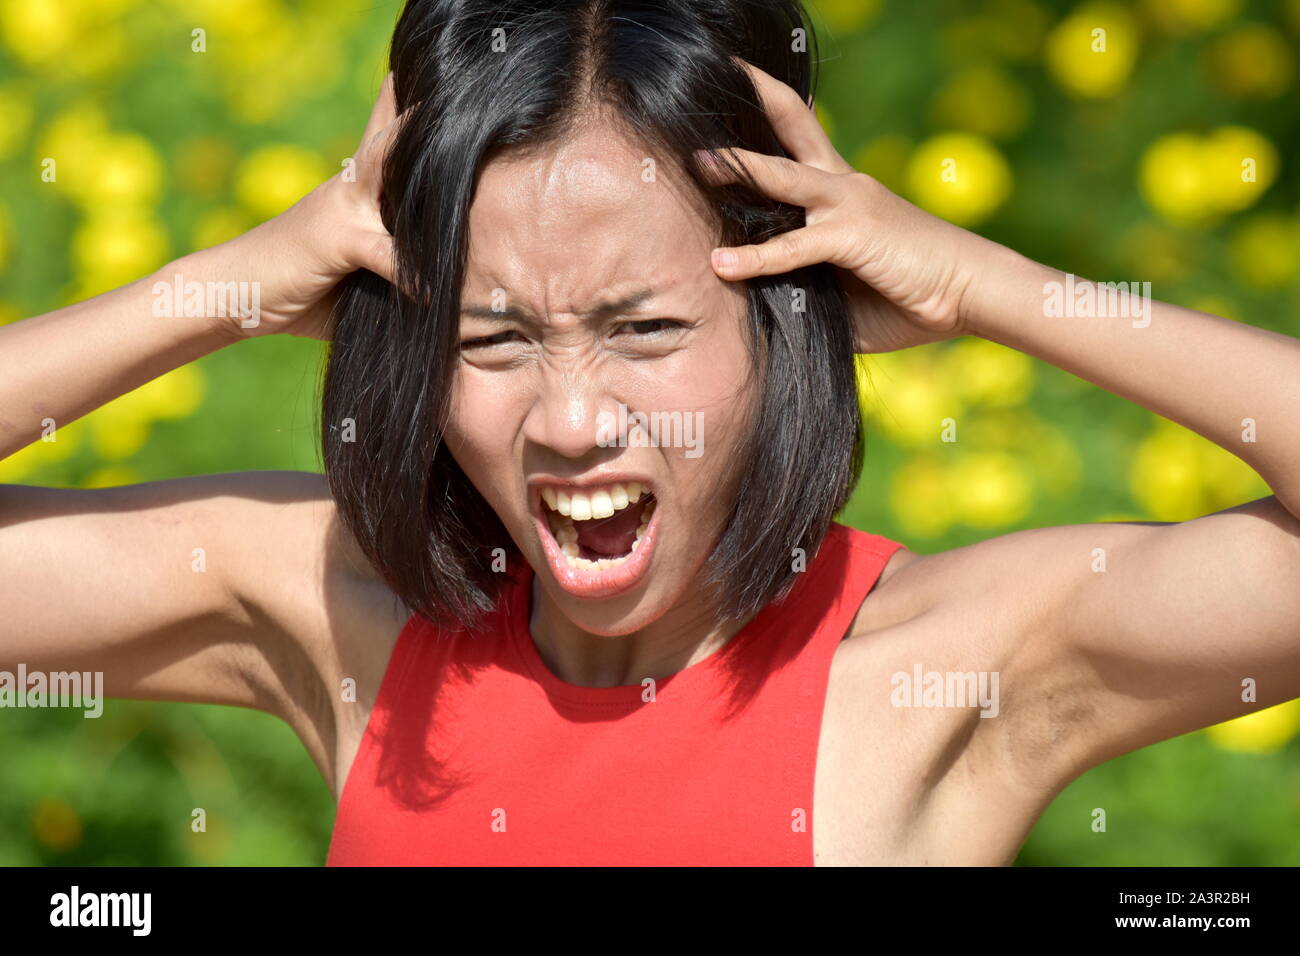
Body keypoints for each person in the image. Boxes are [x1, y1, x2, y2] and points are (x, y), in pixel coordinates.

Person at [2, 0, 1297, 866]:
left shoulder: (945, 668)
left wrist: (985, 287)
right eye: (493, 339)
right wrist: (234, 284)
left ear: (784, 320)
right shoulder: (341, 616)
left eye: (645, 331)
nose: (572, 422)